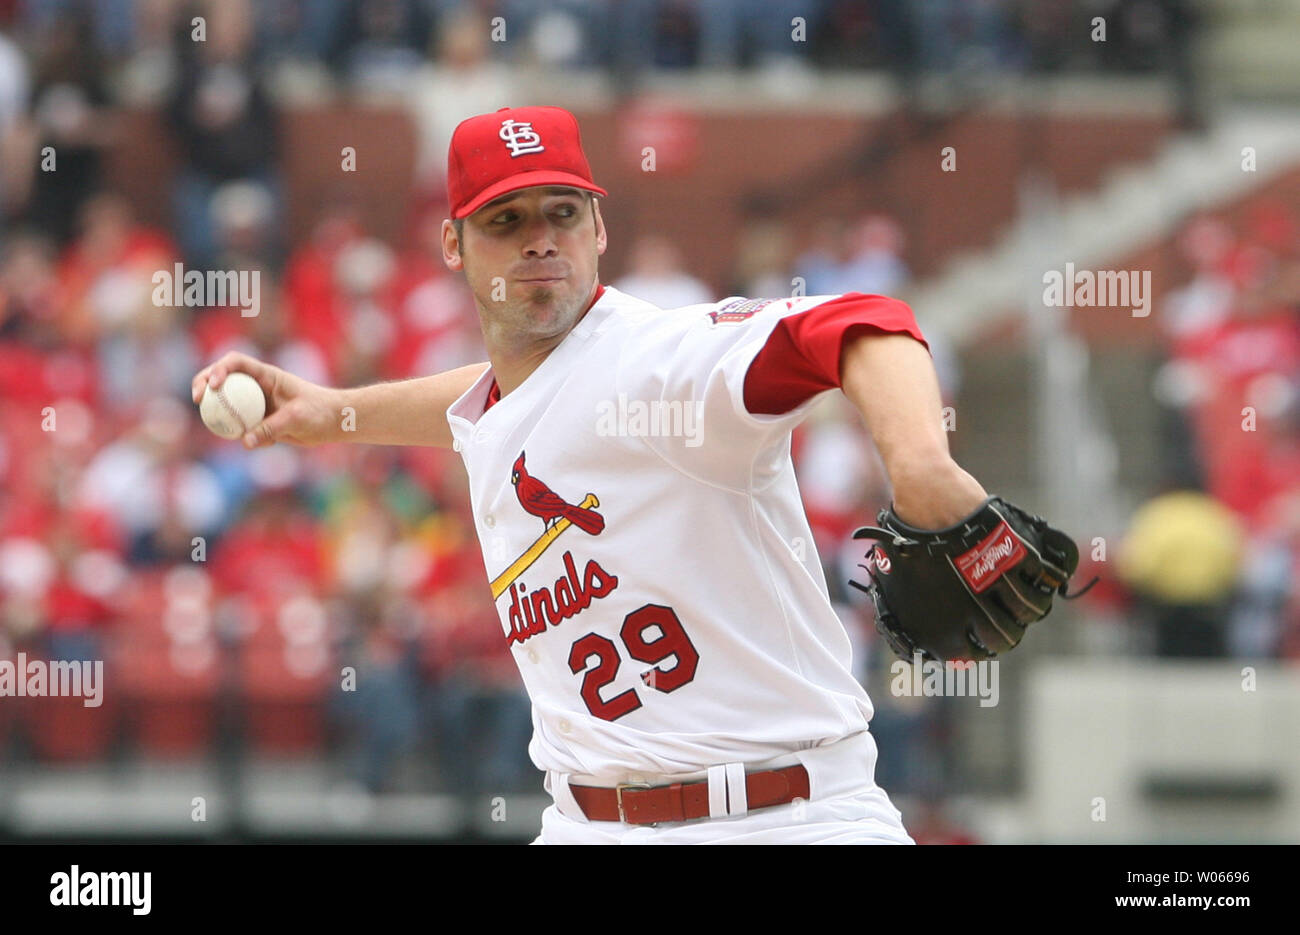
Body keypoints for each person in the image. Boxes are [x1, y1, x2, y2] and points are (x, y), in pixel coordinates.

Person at [192, 105, 988, 844]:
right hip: (588, 819)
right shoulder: (512, 397)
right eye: (507, 221)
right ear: (452, 244)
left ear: (598, 227)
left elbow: (868, 325)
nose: (540, 239)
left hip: (785, 816)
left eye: (562, 213)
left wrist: (919, 464)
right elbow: (493, 404)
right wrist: (333, 411)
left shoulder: (663, 361)